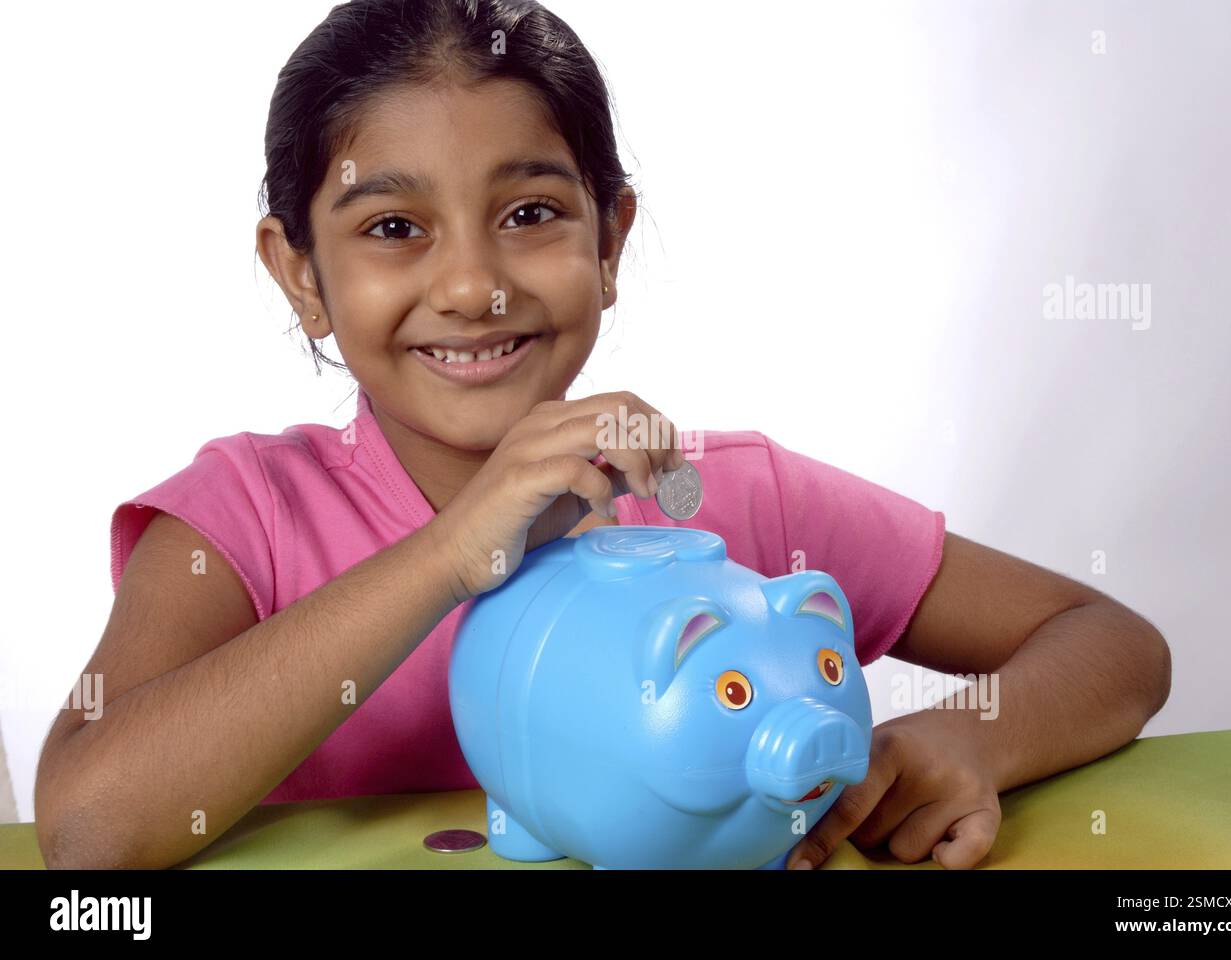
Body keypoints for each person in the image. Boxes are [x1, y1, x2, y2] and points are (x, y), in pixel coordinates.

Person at [34, 0, 1170, 871]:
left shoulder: (736, 503)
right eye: (393, 227)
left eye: (530, 214)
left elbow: (1109, 641)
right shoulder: (241, 522)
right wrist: (446, 556)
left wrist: (969, 739)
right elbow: (86, 826)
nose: (474, 284)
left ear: (610, 238)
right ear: (301, 276)